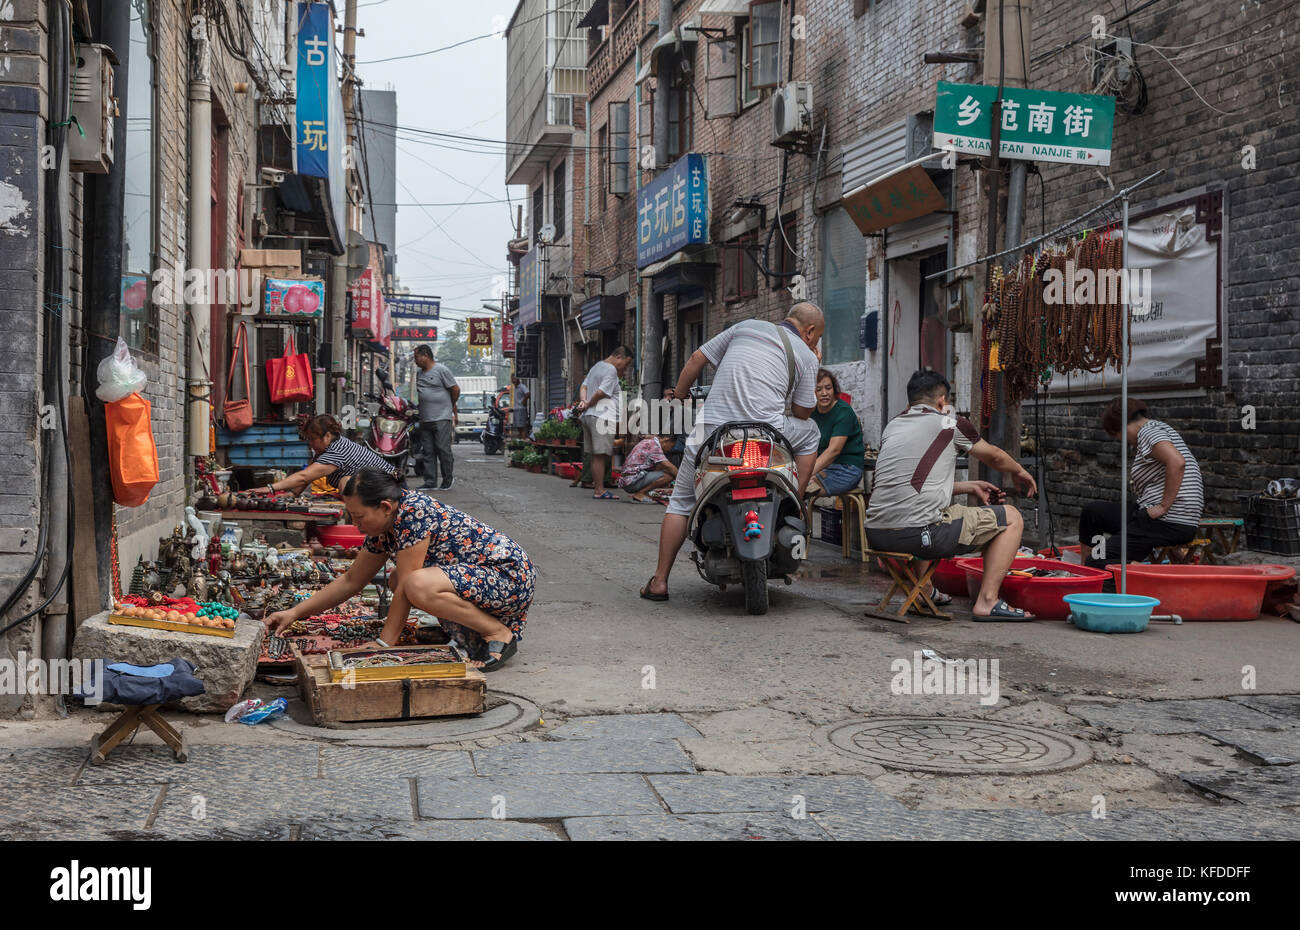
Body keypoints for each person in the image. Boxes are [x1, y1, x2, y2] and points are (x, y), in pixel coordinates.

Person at [263, 469, 535, 671]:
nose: (356, 525)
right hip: (482, 580)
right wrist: (295, 612)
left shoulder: (412, 512)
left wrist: (384, 644)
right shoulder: (384, 525)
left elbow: (409, 585)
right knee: (397, 581)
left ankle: (497, 633)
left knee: (414, 584)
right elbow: (351, 580)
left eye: (359, 517)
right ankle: (468, 630)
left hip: (507, 576)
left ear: (384, 507)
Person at [640, 303, 825, 601]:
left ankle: (659, 581)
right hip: (767, 434)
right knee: (812, 433)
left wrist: (680, 396)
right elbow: (803, 412)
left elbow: (697, 358)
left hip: (712, 432)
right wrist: (812, 361)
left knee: (680, 503)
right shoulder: (805, 353)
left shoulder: (746, 326)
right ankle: (795, 500)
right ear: (810, 331)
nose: (813, 344)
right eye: (815, 340)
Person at [864, 370, 1039, 621]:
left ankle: (923, 591)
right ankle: (988, 601)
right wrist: (1020, 471)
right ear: (942, 401)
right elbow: (995, 456)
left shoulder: (893, 426)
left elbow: (914, 485)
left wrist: (969, 486)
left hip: (877, 534)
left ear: (910, 401)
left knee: (929, 512)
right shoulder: (950, 423)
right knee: (1011, 517)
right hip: (917, 536)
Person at [1080, 397, 1203, 567]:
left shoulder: (1148, 432)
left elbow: (1177, 462)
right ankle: (1082, 570)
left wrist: (1163, 507)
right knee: (1092, 513)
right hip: (1154, 515)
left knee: (1097, 561)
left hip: (1167, 521)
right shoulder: (1158, 428)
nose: (1123, 441)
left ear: (1121, 427)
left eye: (1117, 435)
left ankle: (1144, 575)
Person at [250, 414, 399, 495]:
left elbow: (304, 477)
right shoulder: (331, 447)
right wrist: (293, 494)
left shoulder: (337, 451)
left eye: (313, 439)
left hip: (387, 488)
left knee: (345, 482)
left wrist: (270, 488)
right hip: (384, 485)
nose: (311, 444)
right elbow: (308, 475)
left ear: (327, 436)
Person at [574, 345, 634, 500]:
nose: (625, 368)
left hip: (590, 416)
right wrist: (588, 403)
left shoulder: (596, 367)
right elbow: (601, 393)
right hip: (602, 416)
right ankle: (599, 490)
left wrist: (584, 401)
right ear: (619, 356)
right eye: (626, 364)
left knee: (596, 455)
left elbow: (584, 386)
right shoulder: (610, 369)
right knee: (600, 455)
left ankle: (598, 488)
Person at [808, 368, 867, 497]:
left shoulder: (843, 411)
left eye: (828, 388)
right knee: (796, 485)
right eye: (819, 389)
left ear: (834, 389)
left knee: (803, 486)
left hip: (847, 470)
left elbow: (834, 451)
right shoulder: (812, 413)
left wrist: (806, 473)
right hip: (825, 468)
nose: (824, 393)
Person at [413, 344, 459, 491]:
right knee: (428, 451)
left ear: (425, 355)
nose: (415, 361)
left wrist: (450, 406)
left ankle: (447, 479)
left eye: (416, 357)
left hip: (441, 417)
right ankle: (430, 481)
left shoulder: (442, 370)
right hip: (425, 418)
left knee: (442, 449)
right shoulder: (419, 373)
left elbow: (455, 389)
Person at [618, 434, 678, 503]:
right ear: (666, 440)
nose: (670, 449)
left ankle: (643, 493)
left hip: (627, 480)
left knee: (662, 468)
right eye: (671, 446)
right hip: (631, 482)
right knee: (669, 476)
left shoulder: (650, 441)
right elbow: (669, 466)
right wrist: (683, 482)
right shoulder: (655, 446)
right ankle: (640, 494)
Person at [509, 373, 531, 438]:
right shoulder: (515, 388)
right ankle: (522, 439)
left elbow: (528, 393)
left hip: (521, 409)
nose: (513, 380)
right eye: (512, 379)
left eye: (514, 378)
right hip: (516, 409)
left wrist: (524, 401)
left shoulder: (522, 386)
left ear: (518, 379)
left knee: (522, 426)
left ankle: (523, 440)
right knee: (518, 427)